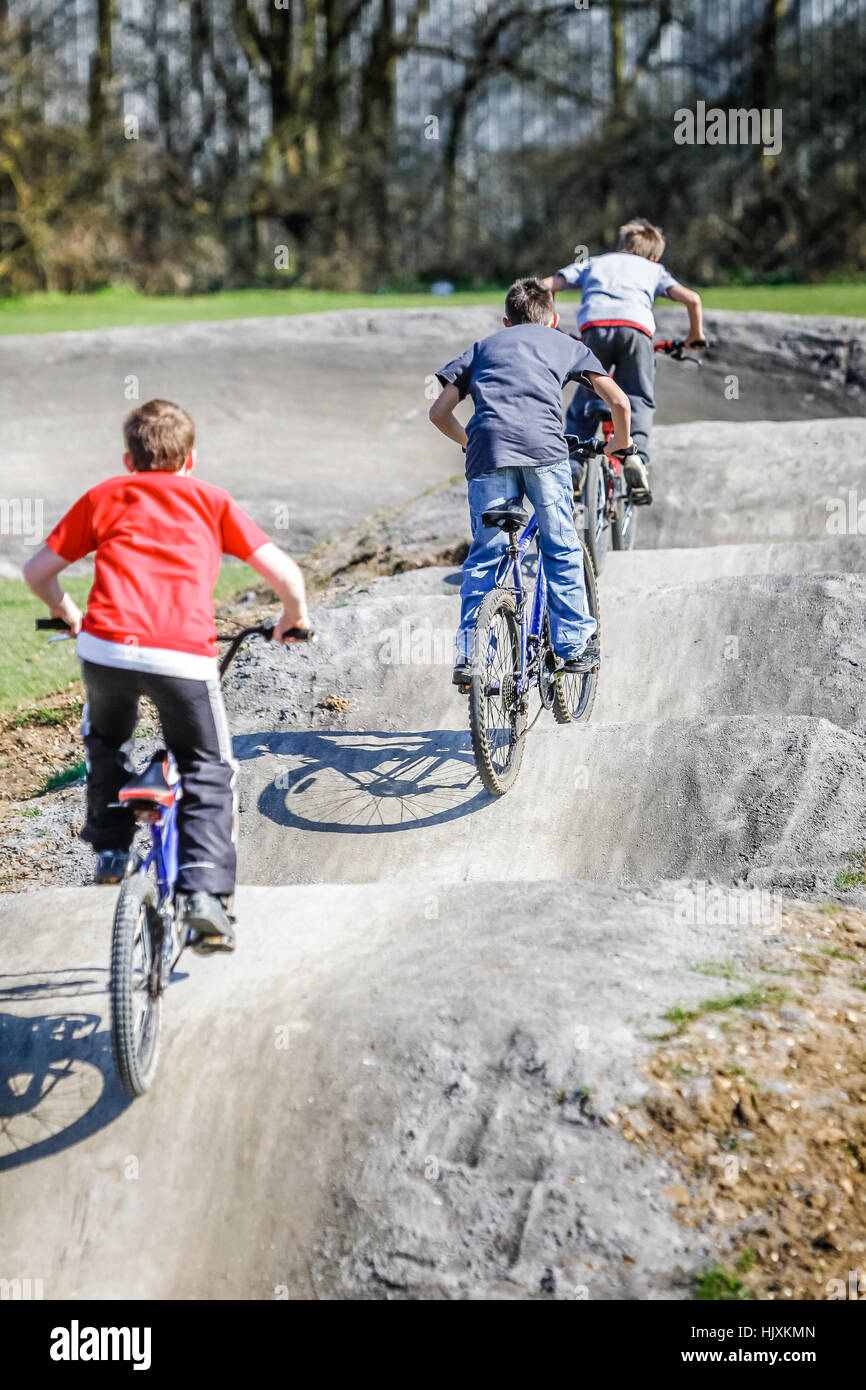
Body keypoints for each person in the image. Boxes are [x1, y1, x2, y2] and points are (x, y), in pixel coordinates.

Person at [23, 398, 311, 954]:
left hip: (106, 649)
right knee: (207, 766)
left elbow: (39, 572)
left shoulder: (105, 495)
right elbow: (285, 573)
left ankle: (109, 851)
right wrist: (293, 619)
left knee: (107, 740)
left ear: (127, 458)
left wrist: (65, 610)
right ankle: (203, 892)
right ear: (191, 459)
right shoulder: (211, 500)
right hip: (181, 657)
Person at [428, 276, 631, 686]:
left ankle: (471, 655)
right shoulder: (567, 344)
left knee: (486, 556)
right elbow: (620, 401)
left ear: (507, 321)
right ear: (553, 319)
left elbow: (438, 412)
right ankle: (573, 646)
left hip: (488, 456)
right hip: (544, 453)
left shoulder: (482, 347)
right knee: (560, 546)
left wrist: (470, 443)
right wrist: (619, 447)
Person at [542, 217, 705, 503]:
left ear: (620, 246)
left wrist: (549, 324)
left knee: (584, 397)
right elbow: (692, 299)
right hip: (636, 331)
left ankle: (574, 465)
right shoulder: (654, 269)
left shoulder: (595, 262)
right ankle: (636, 457)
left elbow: (545, 286)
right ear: (654, 255)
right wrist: (695, 336)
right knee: (638, 397)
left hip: (594, 329)